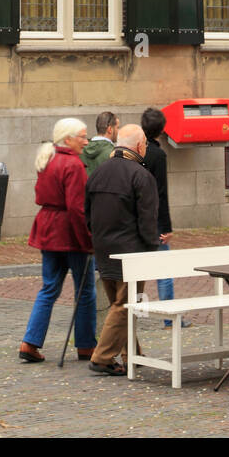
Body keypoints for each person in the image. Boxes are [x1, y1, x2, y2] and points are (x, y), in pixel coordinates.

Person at [20, 117, 96, 364]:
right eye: (82, 137)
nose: (86, 141)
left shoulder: (47, 158)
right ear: (68, 139)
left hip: (49, 229)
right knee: (85, 291)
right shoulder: (73, 164)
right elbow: (77, 208)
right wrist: (87, 240)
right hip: (69, 234)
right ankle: (85, 345)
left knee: (49, 288)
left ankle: (29, 342)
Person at [85, 123, 159, 375]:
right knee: (125, 305)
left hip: (104, 248)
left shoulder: (98, 172)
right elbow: (147, 220)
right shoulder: (140, 175)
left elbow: (87, 214)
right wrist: (152, 246)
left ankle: (131, 353)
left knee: (121, 303)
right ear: (139, 146)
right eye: (146, 144)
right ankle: (102, 357)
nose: (146, 148)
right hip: (131, 250)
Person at [140, 107, 185, 322]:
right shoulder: (158, 154)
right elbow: (161, 192)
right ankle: (169, 318)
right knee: (164, 270)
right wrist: (166, 227)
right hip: (154, 220)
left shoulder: (135, 150)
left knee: (137, 271)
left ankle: (136, 313)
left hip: (136, 219)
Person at [82, 111, 119, 176]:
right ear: (110, 129)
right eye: (117, 127)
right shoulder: (114, 154)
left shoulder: (80, 151)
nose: (119, 131)